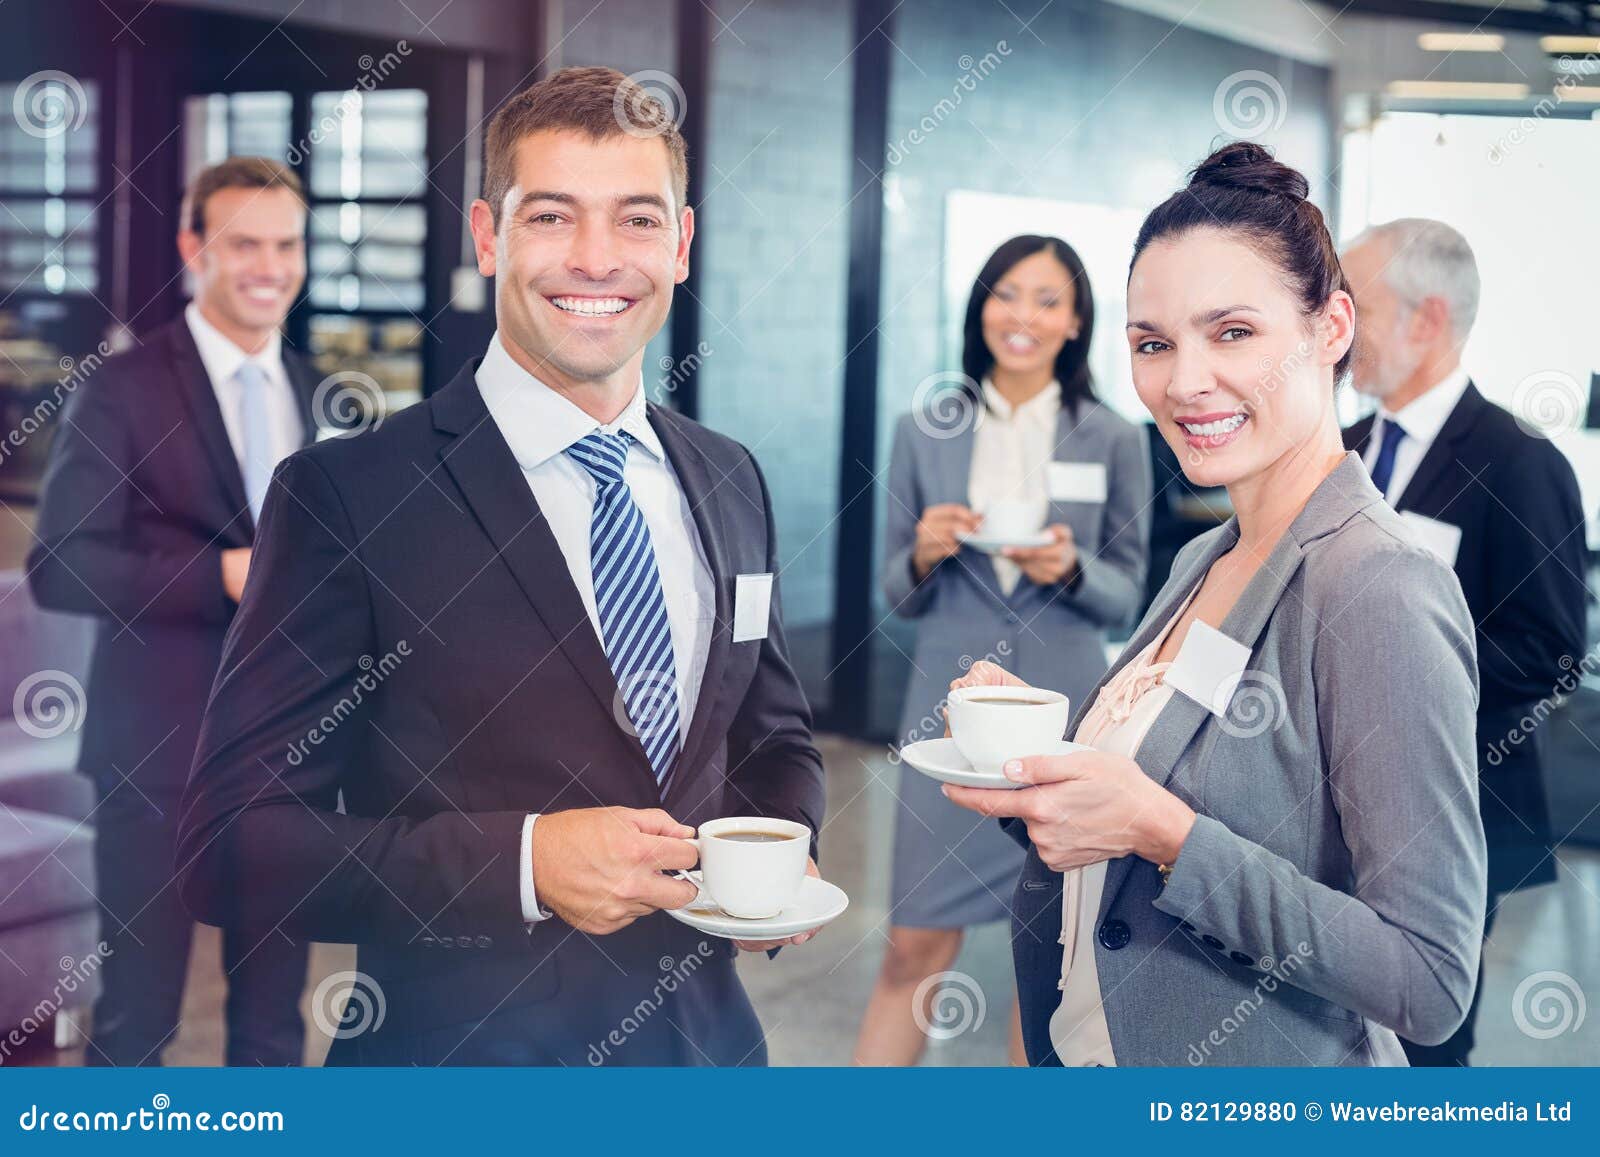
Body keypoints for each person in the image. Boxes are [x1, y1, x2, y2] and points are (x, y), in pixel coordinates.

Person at [175, 68, 826, 1066]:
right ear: (488, 236)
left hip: (709, 1056)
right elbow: (232, 850)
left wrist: (779, 853)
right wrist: (522, 862)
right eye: (553, 216)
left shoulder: (730, 478)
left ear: (683, 244)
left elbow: (775, 735)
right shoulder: (346, 496)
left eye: (637, 220)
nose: (597, 259)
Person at [944, 142, 1487, 1066]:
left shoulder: (1377, 585)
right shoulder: (1209, 553)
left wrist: (1163, 831)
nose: (1183, 381)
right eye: (1153, 343)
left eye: (1232, 332)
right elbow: (1151, 791)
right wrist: (1035, 767)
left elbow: (1427, 977)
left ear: (1330, 328)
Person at [28, 157, 317, 1066]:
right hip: (157, 756)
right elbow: (60, 565)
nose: (271, 266)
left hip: (290, 760)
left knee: (275, 1027)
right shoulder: (123, 386)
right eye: (245, 244)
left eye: (287, 244)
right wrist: (221, 574)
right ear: (195, 247)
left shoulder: (315, 391)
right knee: (136, 1022)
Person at [856, 236, 1149, 1065]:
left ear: (1077, 319)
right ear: (980, 306)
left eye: (1048, 299)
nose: (1024, 316)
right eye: (1007, 294)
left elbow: (1129, 595)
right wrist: (924, 552)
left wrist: (1073, 567)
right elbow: (897, 593)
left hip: (1064, 724)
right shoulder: (923, 428)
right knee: (911, 950)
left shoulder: (1113, 437)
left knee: (1045, 971)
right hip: (949, 727)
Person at [1341, 218, 1588, 1066]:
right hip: (1327, 804)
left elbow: (1550, 648)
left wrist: (1399, 670)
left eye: (1357, 303)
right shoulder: (1340, 450)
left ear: (1427, 319)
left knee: (1421, 1045)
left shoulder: (1521, 461)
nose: (1336, 321)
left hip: (1452, 812)